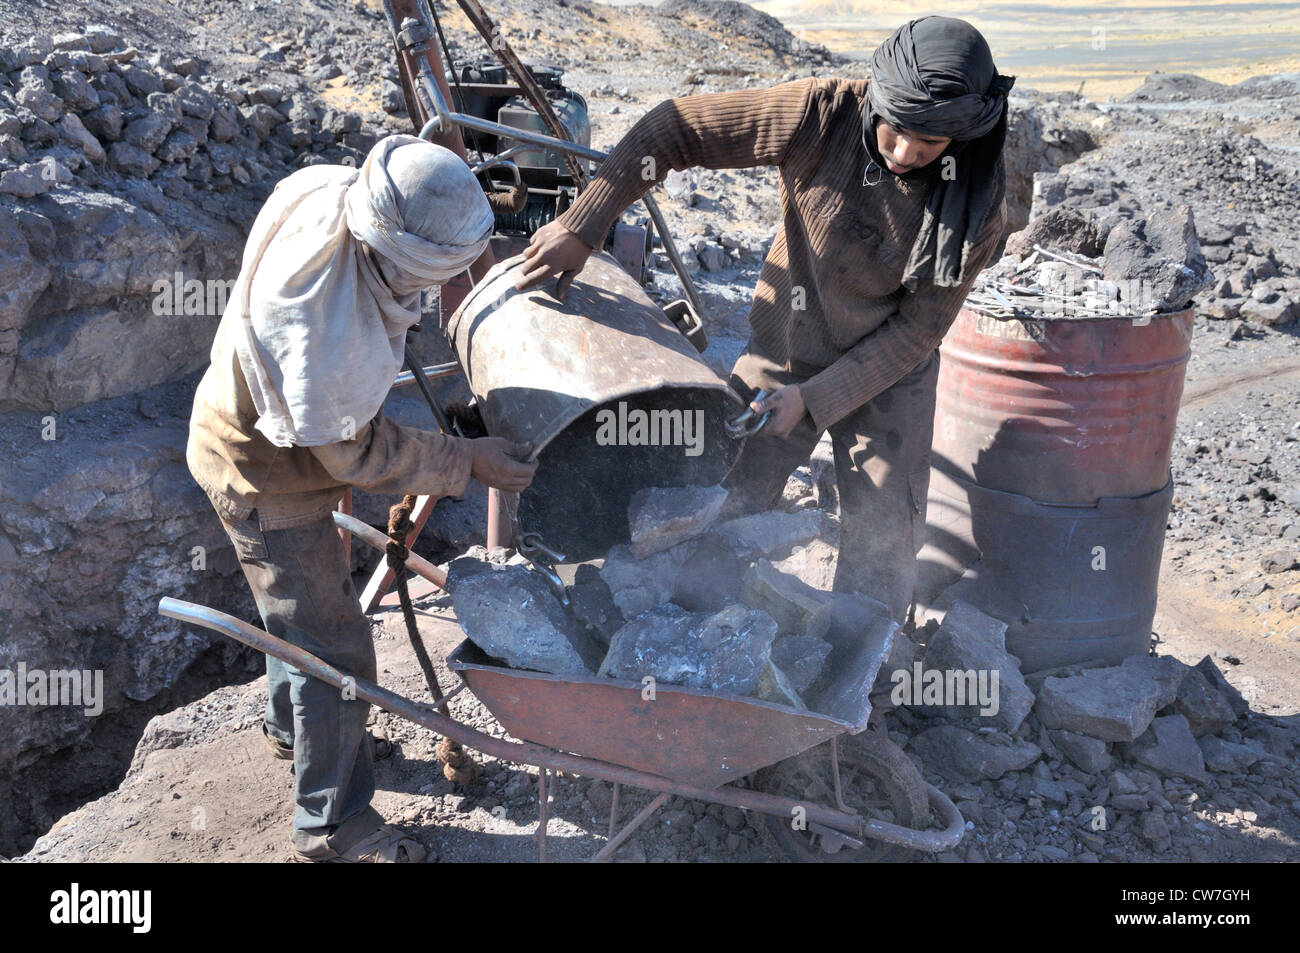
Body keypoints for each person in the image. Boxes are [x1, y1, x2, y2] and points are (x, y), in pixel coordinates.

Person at [517, 16, 1014, 625]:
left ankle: (858, 689)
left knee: (885, 536)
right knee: (720, 499)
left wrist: (817, 398)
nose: (906, 153)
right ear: (879, 97)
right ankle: (700, 631)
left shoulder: (978, 202)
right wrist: (584, 223)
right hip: (785, 349)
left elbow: (917, 331)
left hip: (889, 376)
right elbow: (675, 128)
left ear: (962, 136)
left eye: (931, 144)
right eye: (896, 130)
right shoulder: (820, 115)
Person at [187, 134, 536, 862]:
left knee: (297, 613)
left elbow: (346, 434)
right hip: (264, 476)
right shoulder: (325, 332)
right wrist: (462, 460)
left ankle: (297, 732)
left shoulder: (336, 193)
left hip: (261, 439)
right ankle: (333, 825)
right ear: (403, 260)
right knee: (335, 642)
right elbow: (359, 451)